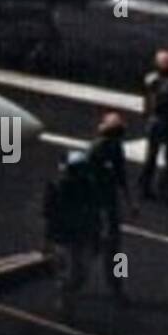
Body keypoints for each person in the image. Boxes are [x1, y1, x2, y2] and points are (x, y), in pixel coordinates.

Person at [43, 151, 102, 318]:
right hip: (65, 237)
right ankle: (65, 301)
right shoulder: (56, 186)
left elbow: (94, 212)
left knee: (81, 272)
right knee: (69, 272)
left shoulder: (88, 186)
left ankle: (67, 296)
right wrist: (48, 240)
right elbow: (50, 214)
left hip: (81, 235)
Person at [88, 111, 133, 304]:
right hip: (96, 203)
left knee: (114, 250)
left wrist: (129, 202)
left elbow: (121, 176)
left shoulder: (114, 148)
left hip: (108, 202)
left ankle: (117, 286)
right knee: (103, 247)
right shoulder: (97, 150)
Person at [139, 48, 168, 204]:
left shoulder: (150, 80)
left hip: (153, 121)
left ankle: (144, 188)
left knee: (151, 155)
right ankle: (167, 193)